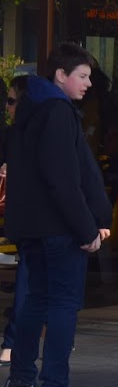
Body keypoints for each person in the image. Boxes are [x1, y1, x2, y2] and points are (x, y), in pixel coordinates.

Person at [3, 43, 112, 387]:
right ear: (61, 76)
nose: (88, 83)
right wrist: (88, 230)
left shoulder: (28, 112)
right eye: (82, 76)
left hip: (31, 227)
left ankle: (20, 380)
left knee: (36, 299)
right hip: (59, 228)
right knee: (64, 303)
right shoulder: (58, 113)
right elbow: (64, 179)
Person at [1, 74, 30, 367]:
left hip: (28, 219)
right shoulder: (12, 134)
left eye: (10, 101)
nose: (6, 108)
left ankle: (13, 341)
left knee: (30, 276)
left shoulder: (25, 135)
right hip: (19, 217)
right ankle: (13, 341)